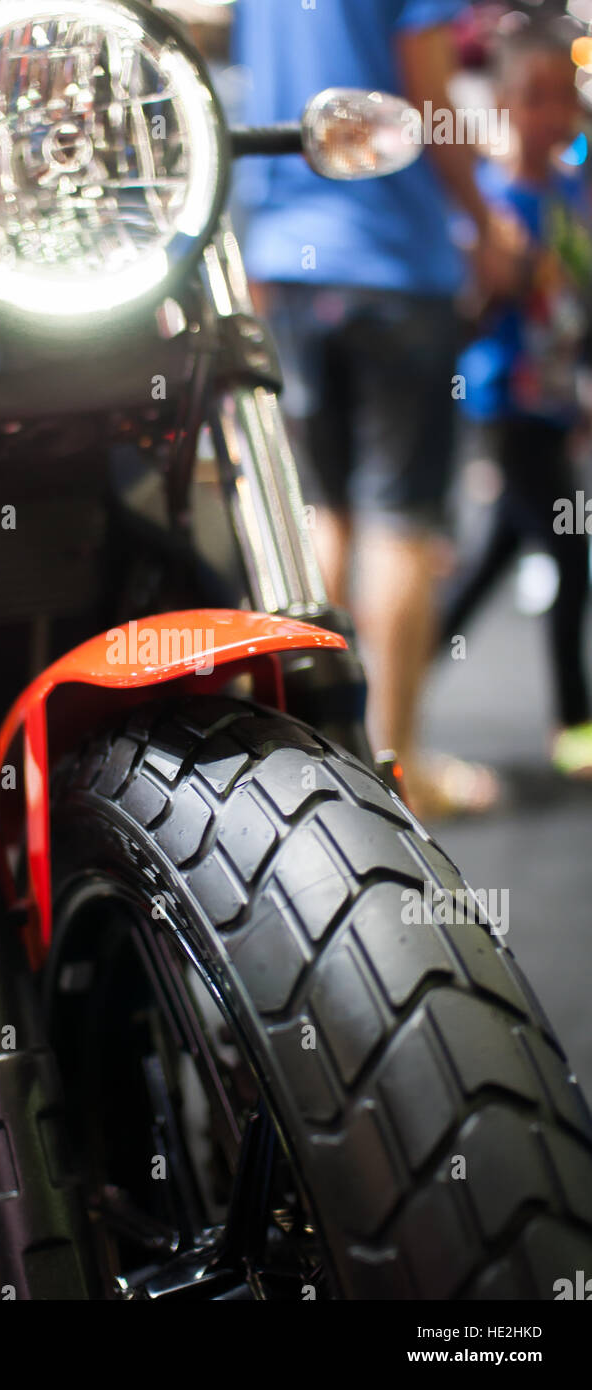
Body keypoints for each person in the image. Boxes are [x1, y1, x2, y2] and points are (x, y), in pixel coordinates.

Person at [232, 0, 523, 819]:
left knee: (325, 516)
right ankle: (397, 773)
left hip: (289, 260)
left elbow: (260, 102)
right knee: (400, 521)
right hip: (392, 262)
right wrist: (485, 221)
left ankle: (306, 766)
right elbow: (425, 98)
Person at [441, 21, 592, 778]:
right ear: (502, 104)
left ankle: (382, 689)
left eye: (564, 98)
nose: (553, 116)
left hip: (555, 399)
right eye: (535, 99)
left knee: (493, 557)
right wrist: (493, 271)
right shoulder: (487, 204)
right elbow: (461, 315)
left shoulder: (573, 192)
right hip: (503, 404)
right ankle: (574, 723)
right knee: (570, 550)